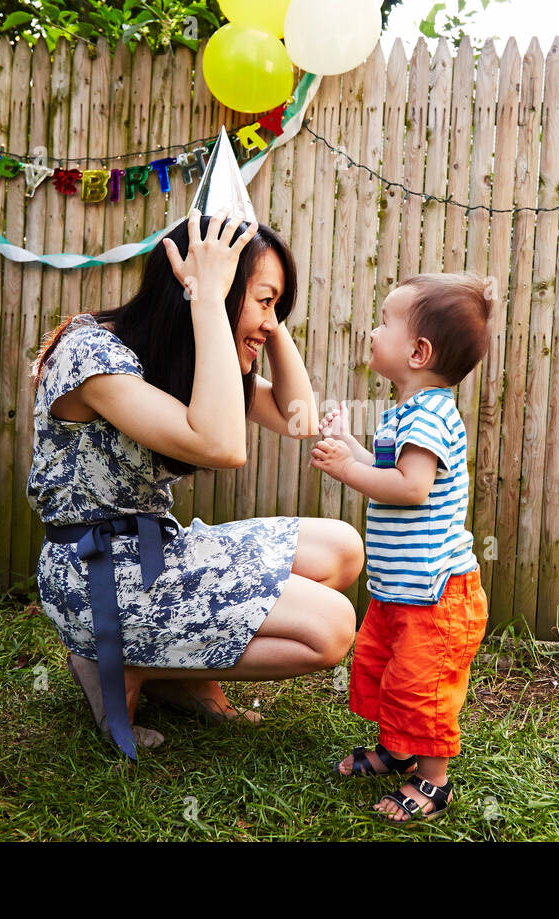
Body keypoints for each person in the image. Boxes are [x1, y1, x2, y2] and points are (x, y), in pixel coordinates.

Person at [28, 208, 363, 754]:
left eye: (274, 304)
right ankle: (116, 660)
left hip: (159, 548)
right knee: (330, 628)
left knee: (343, 548)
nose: (267, 320)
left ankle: (169, 668)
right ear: (209, 289)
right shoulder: (91, 354)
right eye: (262, 300)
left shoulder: (183, 358)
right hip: (96, 575)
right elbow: (223, 446)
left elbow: (298, 418)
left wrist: (266, 321)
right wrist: (209, 301)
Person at [311, 272, 493, 821]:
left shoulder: (431, 415)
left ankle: (432, 782)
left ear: (418, 351)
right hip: (402, 589)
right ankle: (398, 747)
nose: (372, 330)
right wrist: (348, 445)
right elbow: (388, 469)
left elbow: (411, 489)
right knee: (387, 671)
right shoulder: (409, 414)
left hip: (436, 596)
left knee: (421, 685)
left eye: (384, 321)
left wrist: (345, 468)